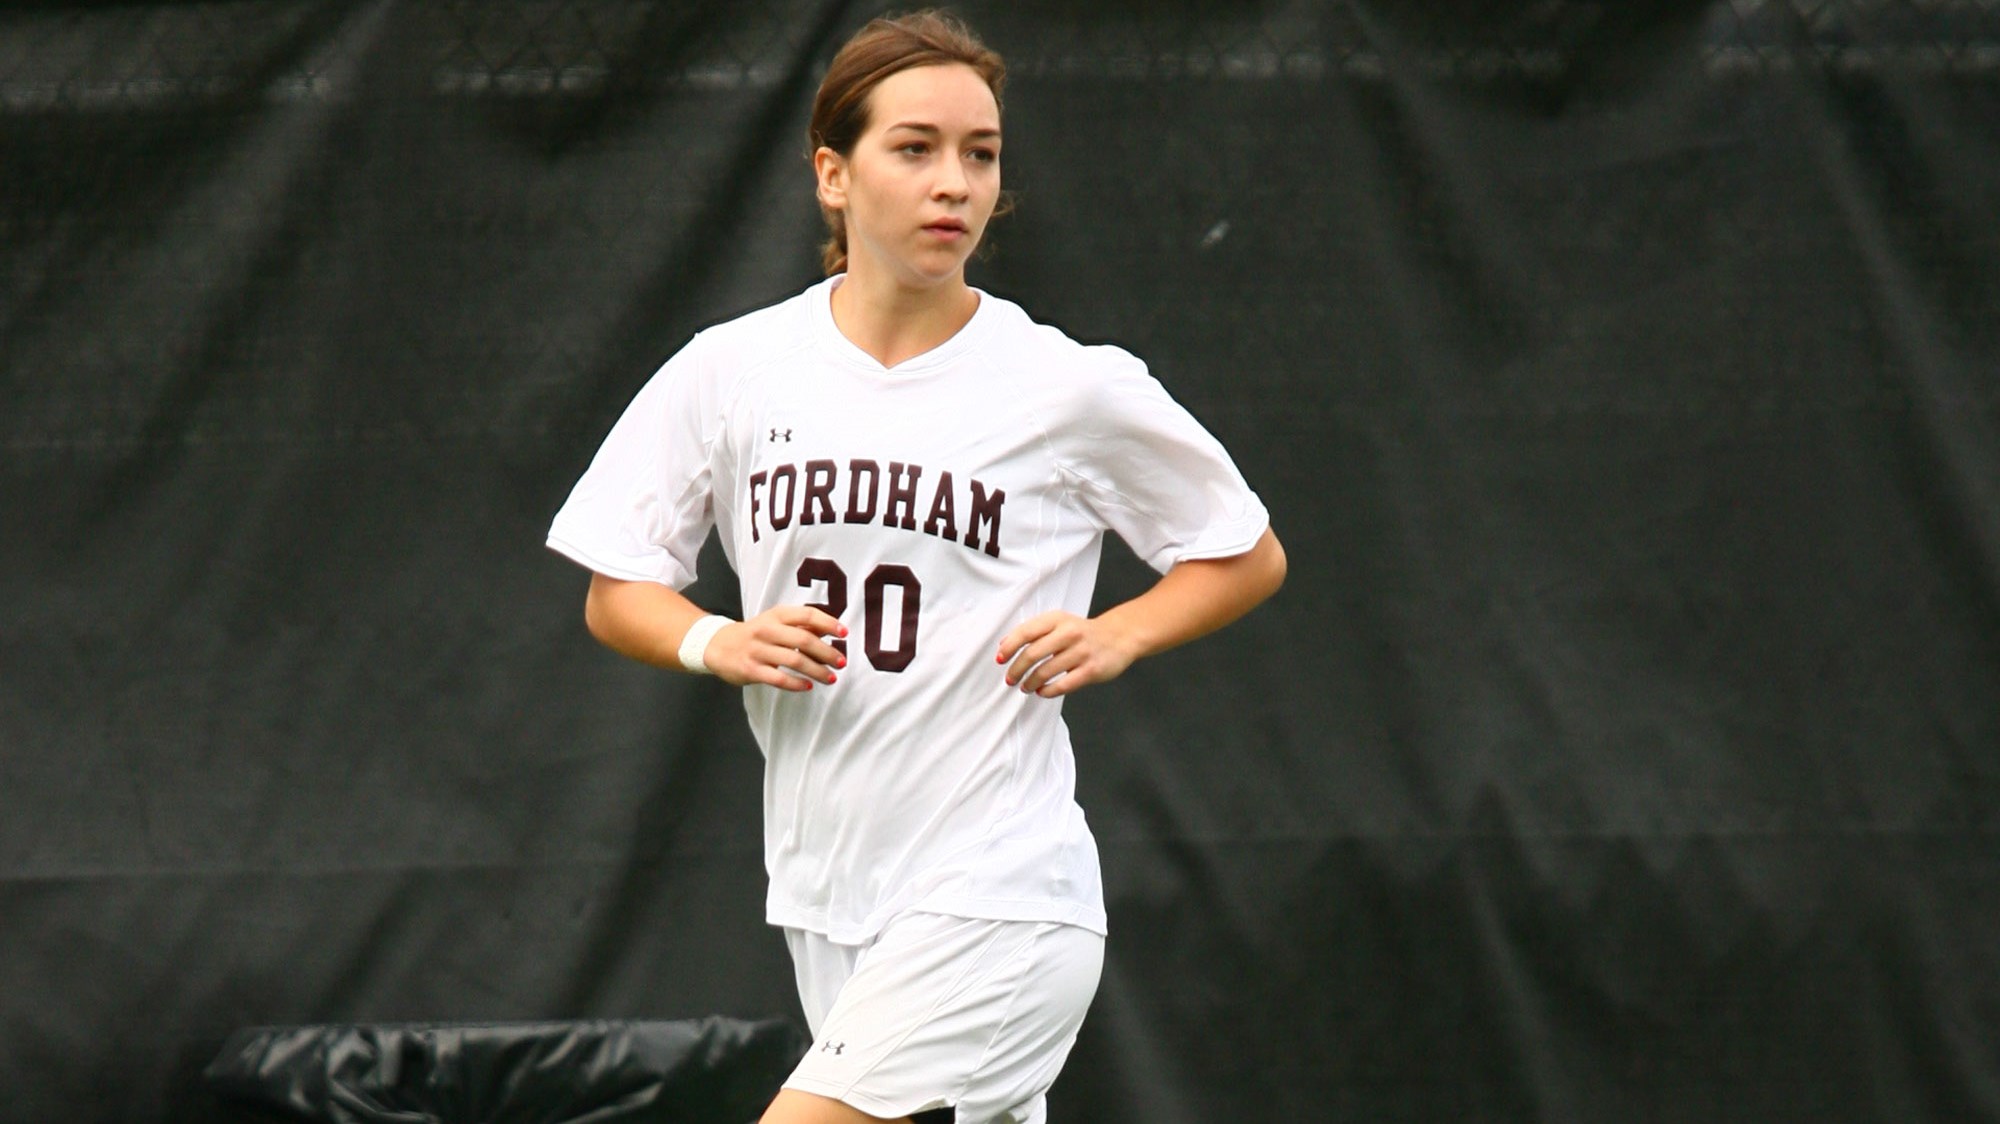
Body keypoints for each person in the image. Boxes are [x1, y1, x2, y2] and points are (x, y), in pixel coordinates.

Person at [546, 10, 1285, 1123]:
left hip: (1001, 893)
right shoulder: (735, 369)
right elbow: (617, 586)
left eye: (979, 154)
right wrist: (719, 639)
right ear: (831, 175)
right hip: (827, 894)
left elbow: (1242, 552)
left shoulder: (1060, 384)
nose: (956, 182)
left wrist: (1119, 630)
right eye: (915, 148)